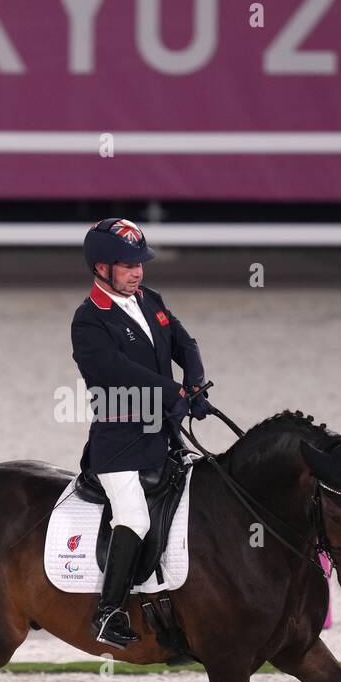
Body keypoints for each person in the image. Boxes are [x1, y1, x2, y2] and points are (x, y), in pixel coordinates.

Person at [70, 217, 209, 649]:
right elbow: (119, 374)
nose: (138, 272)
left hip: (162, 434)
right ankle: (108, 611)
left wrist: (197, 384)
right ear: (101, 268)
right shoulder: (89, 320)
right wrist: (175, 392)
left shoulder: (150, 300)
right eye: (128, 266)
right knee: (133, 516)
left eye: (140, 264)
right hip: (119, 443)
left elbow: (185, 343)